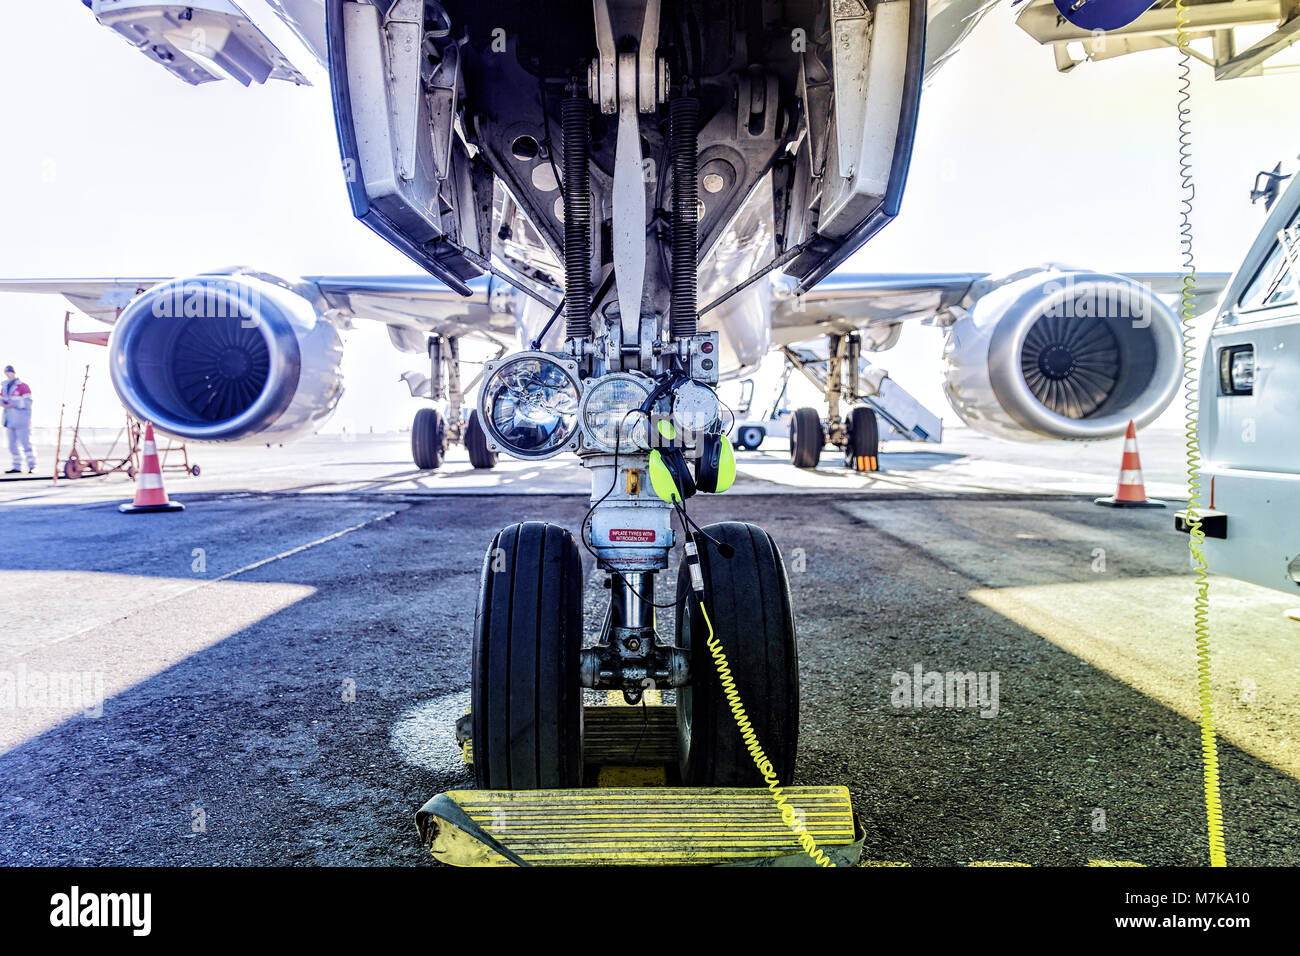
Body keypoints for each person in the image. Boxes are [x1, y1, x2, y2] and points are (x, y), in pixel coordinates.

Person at [2, 365, 36, 474]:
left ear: (14, 373)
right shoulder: (5, 386)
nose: (8, 374)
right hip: (9, 420)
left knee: (26, 444)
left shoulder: (23, 386)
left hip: (22, 421)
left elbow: (28, 402)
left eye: (9, 372)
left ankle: (32, 466)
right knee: (12, 445)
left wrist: (14, 404)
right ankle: (17, 467)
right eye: (6, 372)